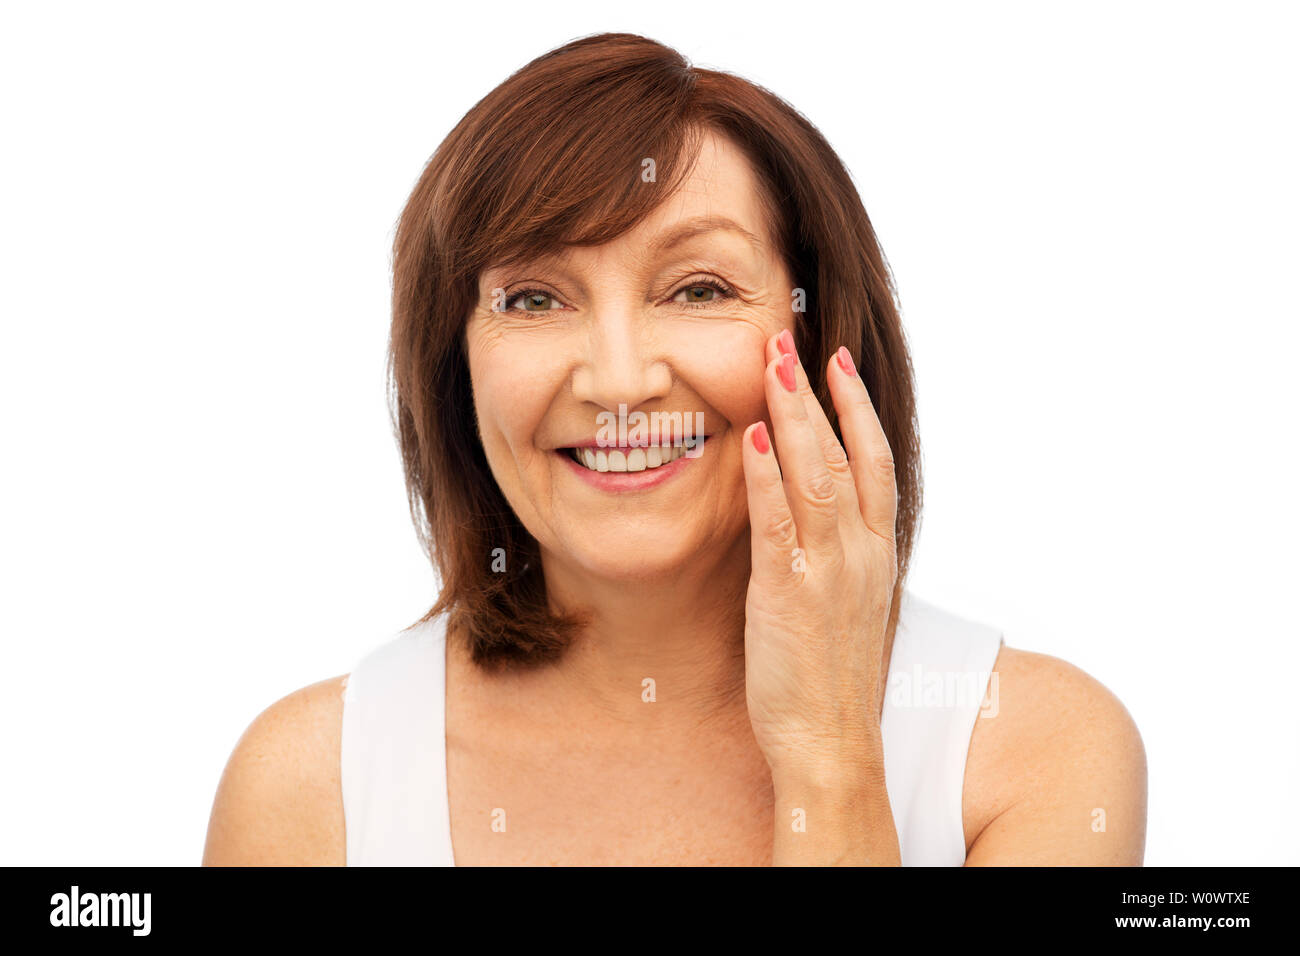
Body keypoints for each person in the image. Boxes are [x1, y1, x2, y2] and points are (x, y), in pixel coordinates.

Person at [202, 32, 1146, 866]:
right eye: (534, 298)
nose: (617, 382)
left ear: (820, 337)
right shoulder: (308, 790)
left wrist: (829, 760)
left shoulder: (1032, 754)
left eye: (697, 290)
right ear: (458, 367)